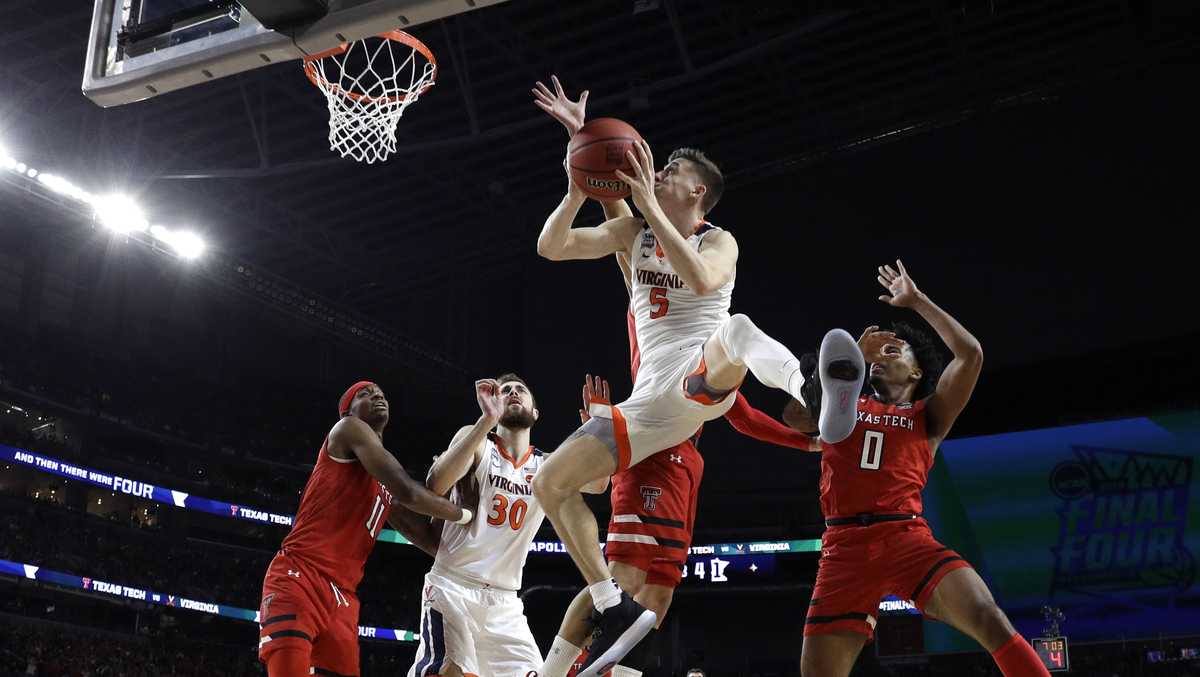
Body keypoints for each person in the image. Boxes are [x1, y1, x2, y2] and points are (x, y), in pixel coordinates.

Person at [531, 74, 871, 676]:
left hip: (700, 374)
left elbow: (702, 279)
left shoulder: (720, 241)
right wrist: (577, 179)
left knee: (736, 327)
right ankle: (610, 605)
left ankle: (810, 391)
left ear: (698, 191)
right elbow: (551, 247)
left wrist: (644, 201)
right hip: (649, 405)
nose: (657, 173)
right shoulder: (633, 232)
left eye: (670, 170)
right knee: (548, 484)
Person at [790, 262, 1050, 677]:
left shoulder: (929, 415)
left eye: (893, 352)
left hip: (905, 537)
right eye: (875, 356)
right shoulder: (845, 407)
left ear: (916, 371)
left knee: (989, 618)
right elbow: (792, 416)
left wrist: (917, 301)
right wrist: (849, 358)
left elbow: (971, 354)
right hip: (843, 547)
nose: (880, 357)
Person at [257, 381, 473, 677]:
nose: (377, 396)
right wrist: (464, 514)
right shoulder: (348, 429)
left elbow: (432, 542)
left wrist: (453, 488)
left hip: (343, 597)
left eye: (381, 394)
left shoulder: (384, 486)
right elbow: (411, 493)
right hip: (301, 574)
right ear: (347, 411)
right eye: (365, 394)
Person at [403, 375, 606, 677]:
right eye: (505, 390)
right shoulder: (477, 442)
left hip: (505, 603)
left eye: (521, 389)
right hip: (453, 586)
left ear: (535, 412)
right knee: (449, 671)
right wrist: (486, 420)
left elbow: (599, 484)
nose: (513, 392)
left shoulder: (547, 465)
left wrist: (600, 426)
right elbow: (436, 483)